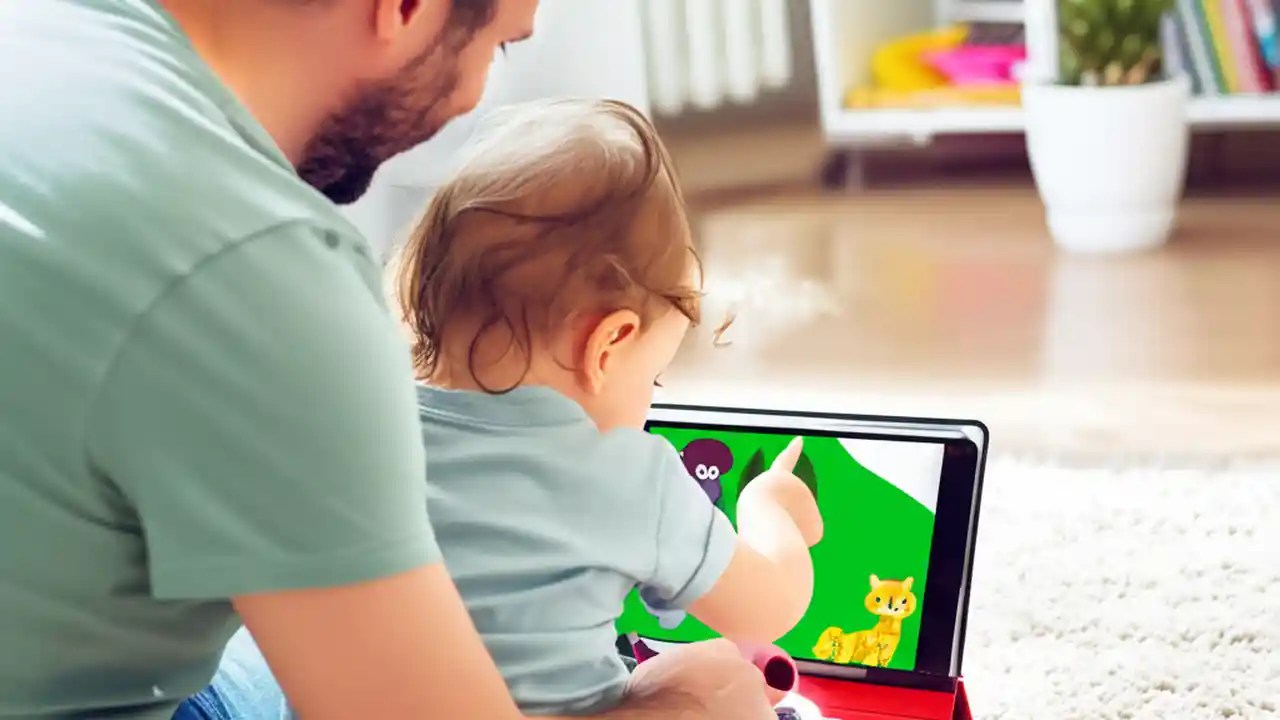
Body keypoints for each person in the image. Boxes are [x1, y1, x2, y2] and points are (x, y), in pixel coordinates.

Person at [0, 1, 787, 718]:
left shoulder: (48, 37)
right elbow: (768, 605)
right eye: (498, 48)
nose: (473, 98)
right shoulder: (258, 275)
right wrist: (686, 701)